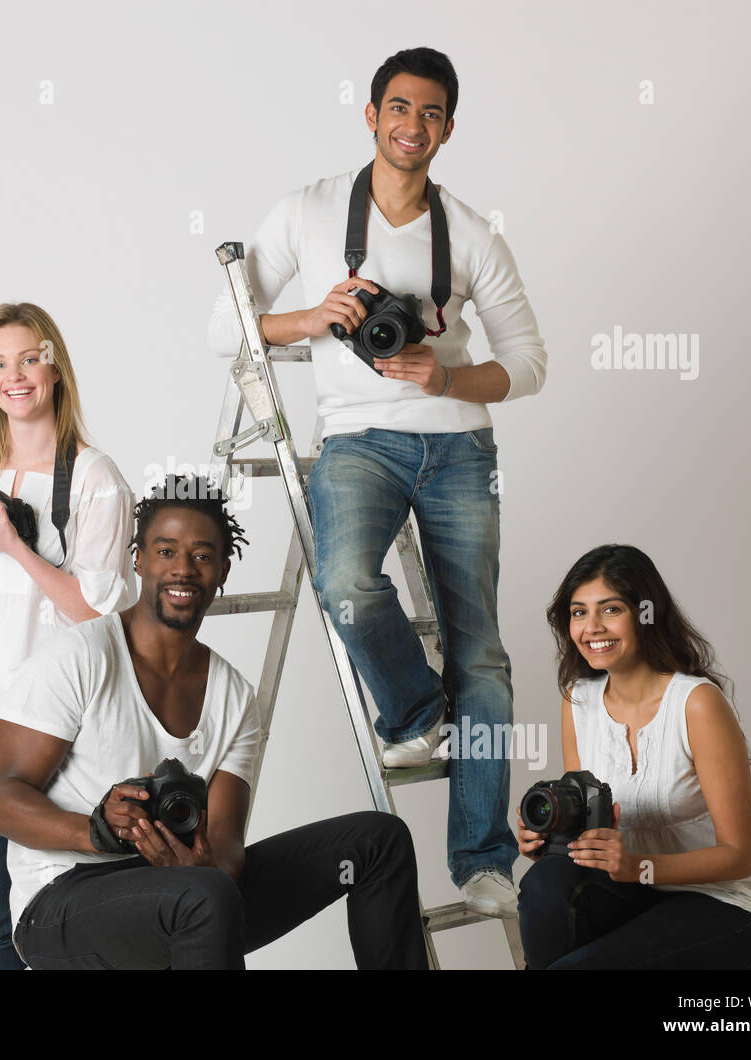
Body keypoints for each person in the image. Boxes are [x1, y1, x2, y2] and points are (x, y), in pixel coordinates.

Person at [207, 47, 546, 916]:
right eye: (399, 108)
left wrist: (447, 378)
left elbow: (530, 361)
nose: (412, 126)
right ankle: (413, 714)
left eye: (431, 114)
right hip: (358, 438)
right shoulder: (310, 210)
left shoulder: (470, 232)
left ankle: (483, 861)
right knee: (348, 583)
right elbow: (225, 327)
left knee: (484, 651)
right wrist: (313, 317)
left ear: (449, 129)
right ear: (370, 114)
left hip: (459, 446)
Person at [0, 475, 427, 970]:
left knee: (378, 841)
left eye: (202, 555)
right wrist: (98, 830)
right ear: (139, 560)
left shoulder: (234, 697)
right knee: (203, 897)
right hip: (62, 901)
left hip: (186, 888)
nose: (183, 570)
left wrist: (202, 863)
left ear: (222, 571)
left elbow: (229, 846)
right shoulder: (80, 657)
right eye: (166, 552)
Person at [0, 302, 136, 969]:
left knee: (70, 929)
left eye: (28, 359)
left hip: (55, 741)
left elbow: (96, 617)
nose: (14, 377)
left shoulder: (95, 479)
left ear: (54, 368)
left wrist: (14, 542)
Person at [515, 544, 751, 969]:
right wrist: (549, 837)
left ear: (646, 614)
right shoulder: (577, 701)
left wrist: (637, 866)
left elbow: (739, 856)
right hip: (631, 893)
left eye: (610, 609)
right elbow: (587, 826)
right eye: (578, 612)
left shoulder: (696, 704)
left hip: (723, 903)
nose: (591, 627)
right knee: (545, 882)